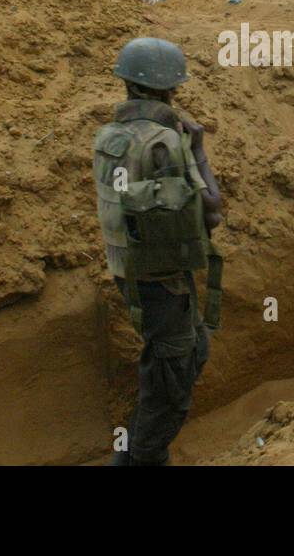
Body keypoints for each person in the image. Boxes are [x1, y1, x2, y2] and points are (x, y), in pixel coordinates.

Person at [93, 37, 224, 466]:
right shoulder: (166, 141)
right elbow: (211, 210)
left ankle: (137, 452)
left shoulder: (109, 136)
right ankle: (143, 457)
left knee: (189, 352)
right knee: (171, 376)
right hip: (162, 278)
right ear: (171, 89)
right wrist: (199, 154)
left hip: (130, 269)